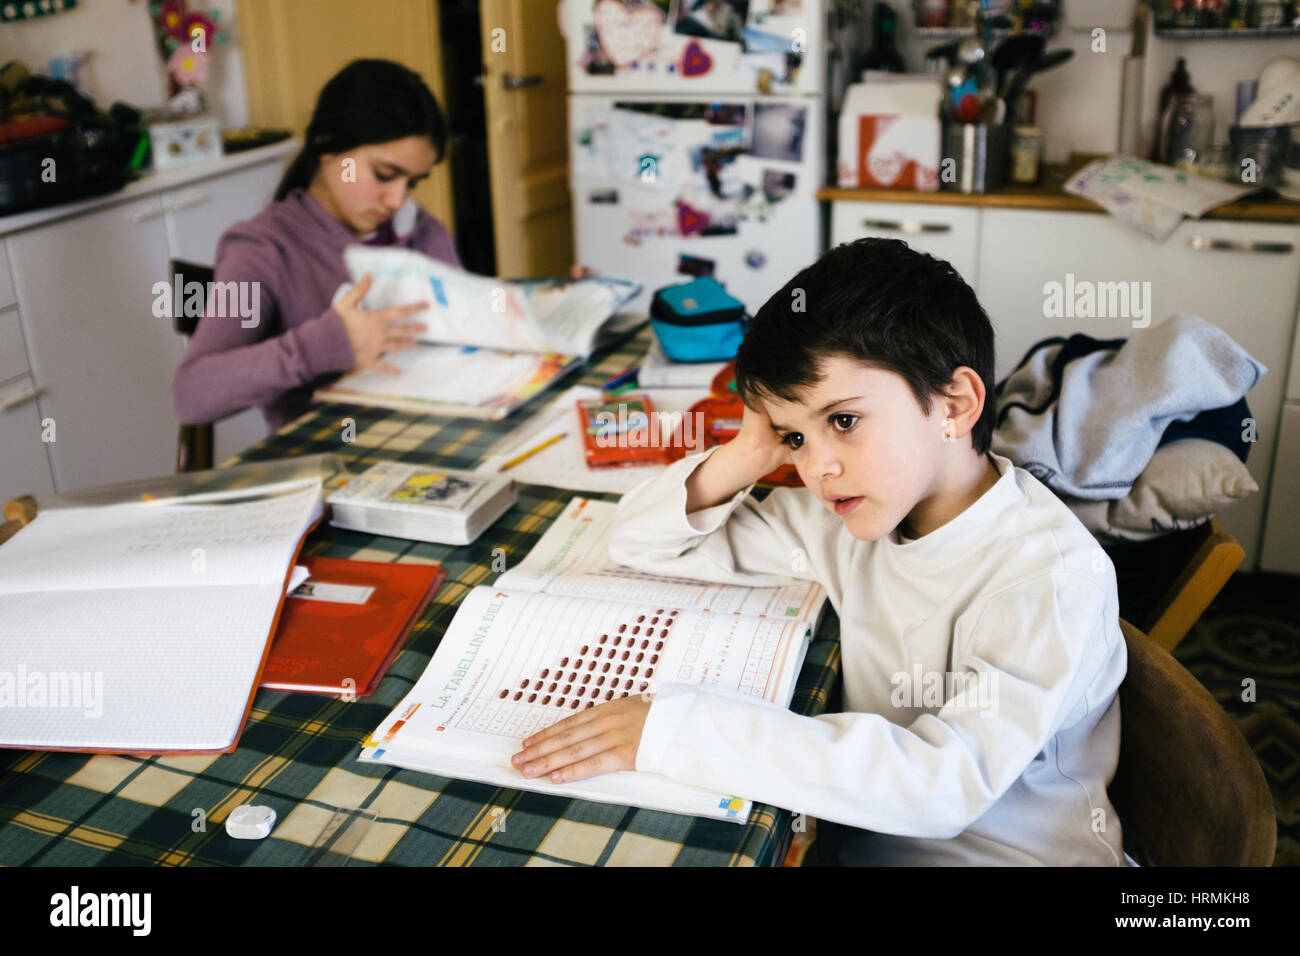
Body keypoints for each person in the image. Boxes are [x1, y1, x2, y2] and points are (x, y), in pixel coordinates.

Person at [510, 238, 1136, 866]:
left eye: (842, 421)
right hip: (856, 842)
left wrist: (677, 728)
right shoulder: (852, 517)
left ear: (954, 405)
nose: (817, 468)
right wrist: (750, 452)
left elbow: (940, 787)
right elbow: (642, 542)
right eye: (795, 437)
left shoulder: (1047, 578)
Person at [172, 59, 459, 432]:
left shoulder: (422, 232)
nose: (396, 200)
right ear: (326, 145)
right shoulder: (264, 249)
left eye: (413, 183)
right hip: (330, 463)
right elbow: (192, 394)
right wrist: (328, 343)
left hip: (431, 437)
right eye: (384, 175)